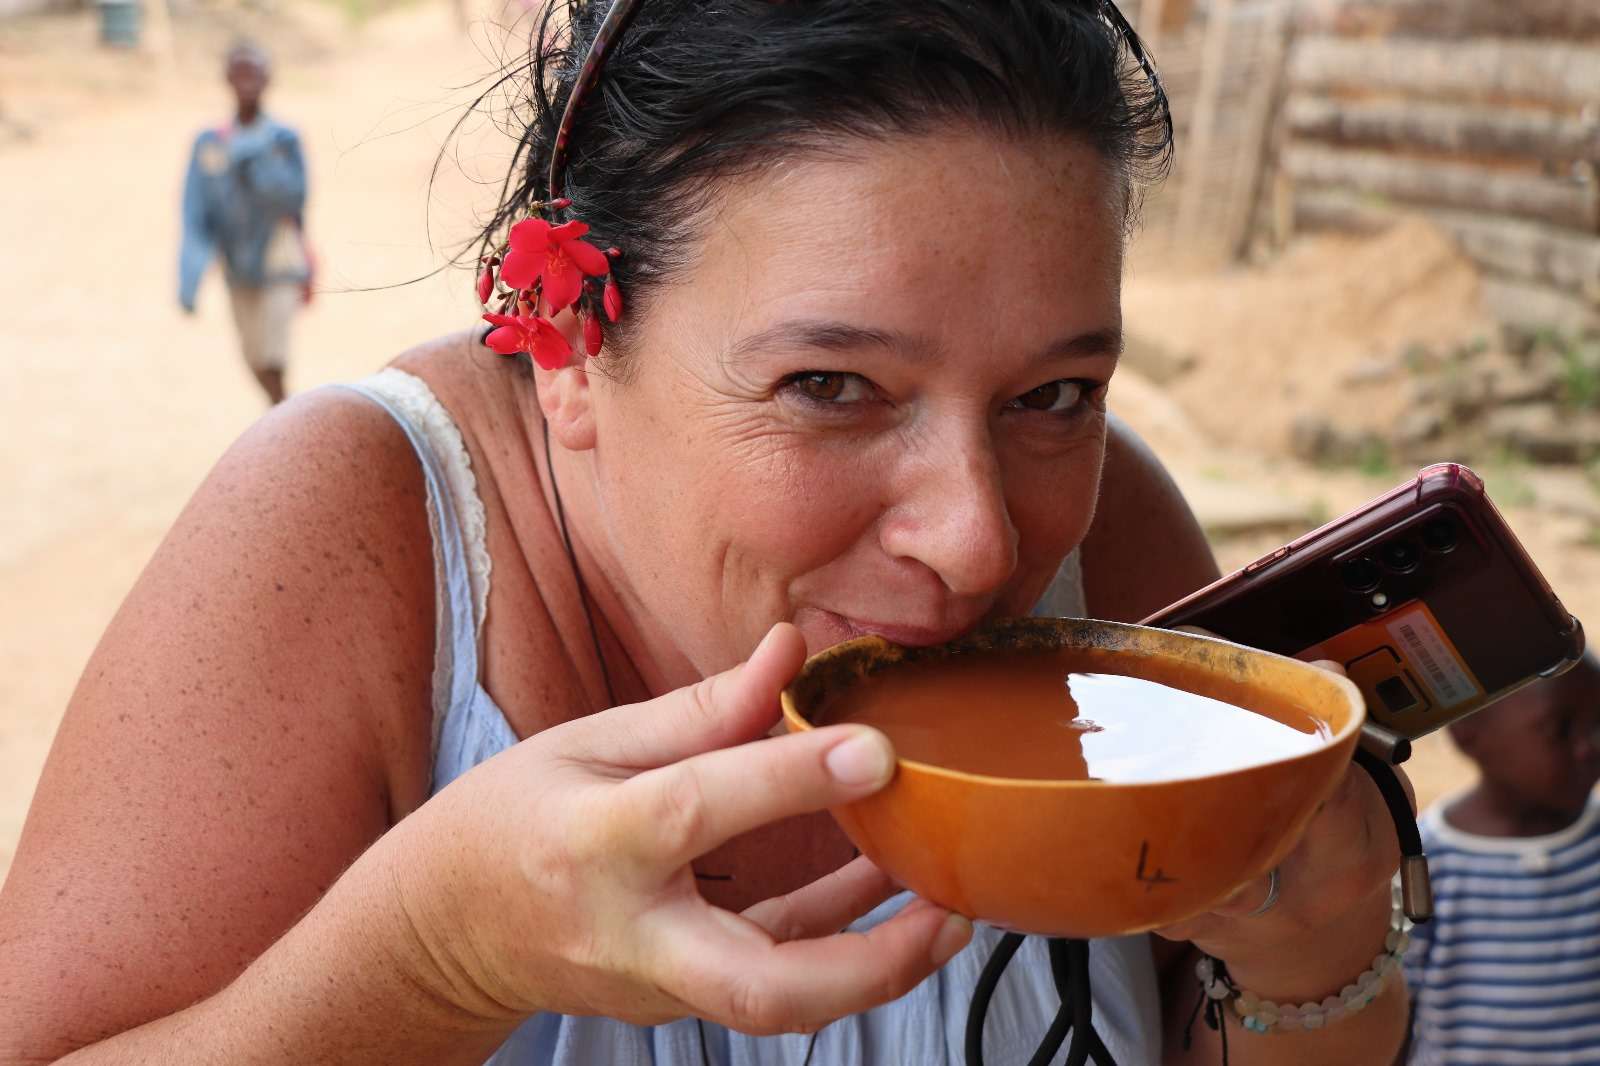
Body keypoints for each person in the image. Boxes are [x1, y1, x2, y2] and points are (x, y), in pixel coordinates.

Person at [1, 2, 1411, 1063]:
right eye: (833, 387)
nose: (982, 541)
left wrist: (1318, 957)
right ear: (564, 350)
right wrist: (433, 955)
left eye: (1054, 391)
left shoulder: (1122, 545)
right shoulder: (358, 537)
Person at [1403, 653, 1600, 1065]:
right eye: (1560, 729)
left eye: (1598, 725)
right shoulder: (1424, 864)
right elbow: (1397, 1005)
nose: (1589, 747)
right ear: (1469, 733)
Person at [178, 40, 310, 406]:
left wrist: (255, 161)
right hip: (237, 264)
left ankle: (285, 425)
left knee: (273, 356)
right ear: (227, 78)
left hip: (279, 259)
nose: (247, 81)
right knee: (252, 357)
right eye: (239, 72)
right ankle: (282, 418)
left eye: (254, 72)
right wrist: (190, 275)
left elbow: (295, 198)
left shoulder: (283, 140)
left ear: (268, 78)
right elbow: (196, 211)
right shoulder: (210, 144)